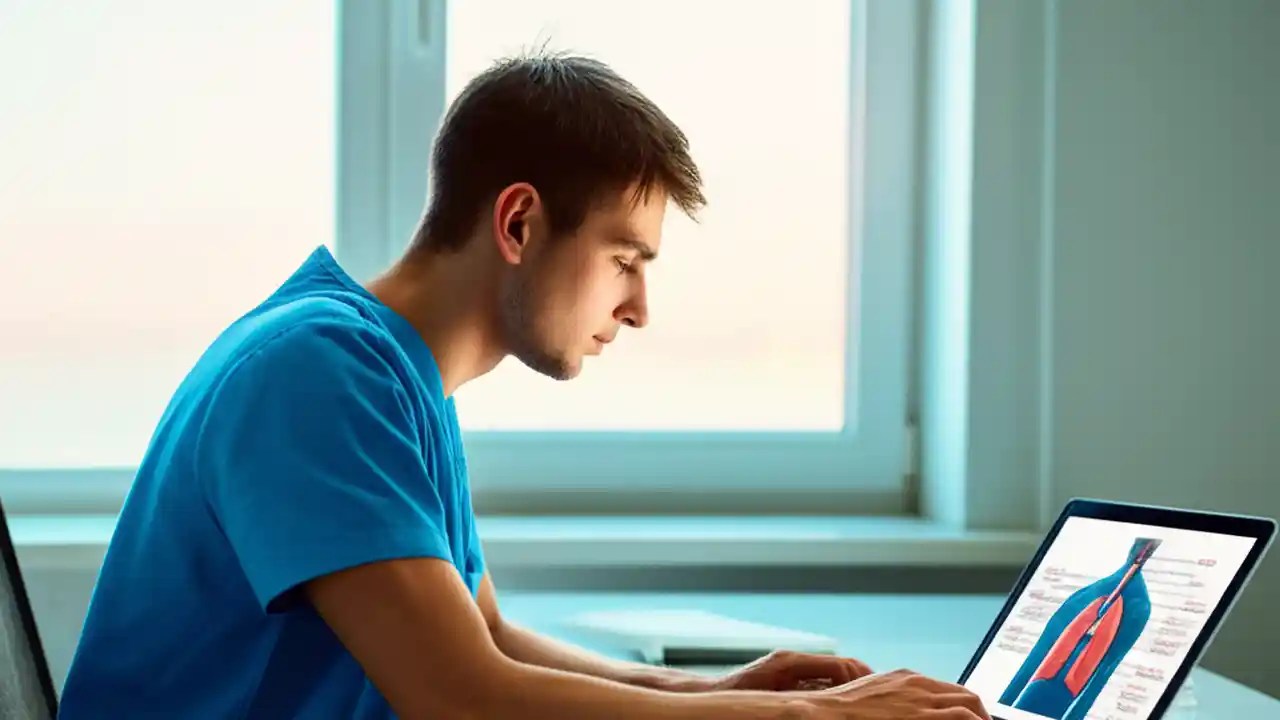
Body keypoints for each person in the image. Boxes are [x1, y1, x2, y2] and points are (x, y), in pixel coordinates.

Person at [58, 52, 989, 720]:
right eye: (625, 258)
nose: (638, 309)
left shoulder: (394, 375)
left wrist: (709, 689)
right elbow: (463, 698)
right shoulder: (319, 375)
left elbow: (487, 638)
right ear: (519, 222)